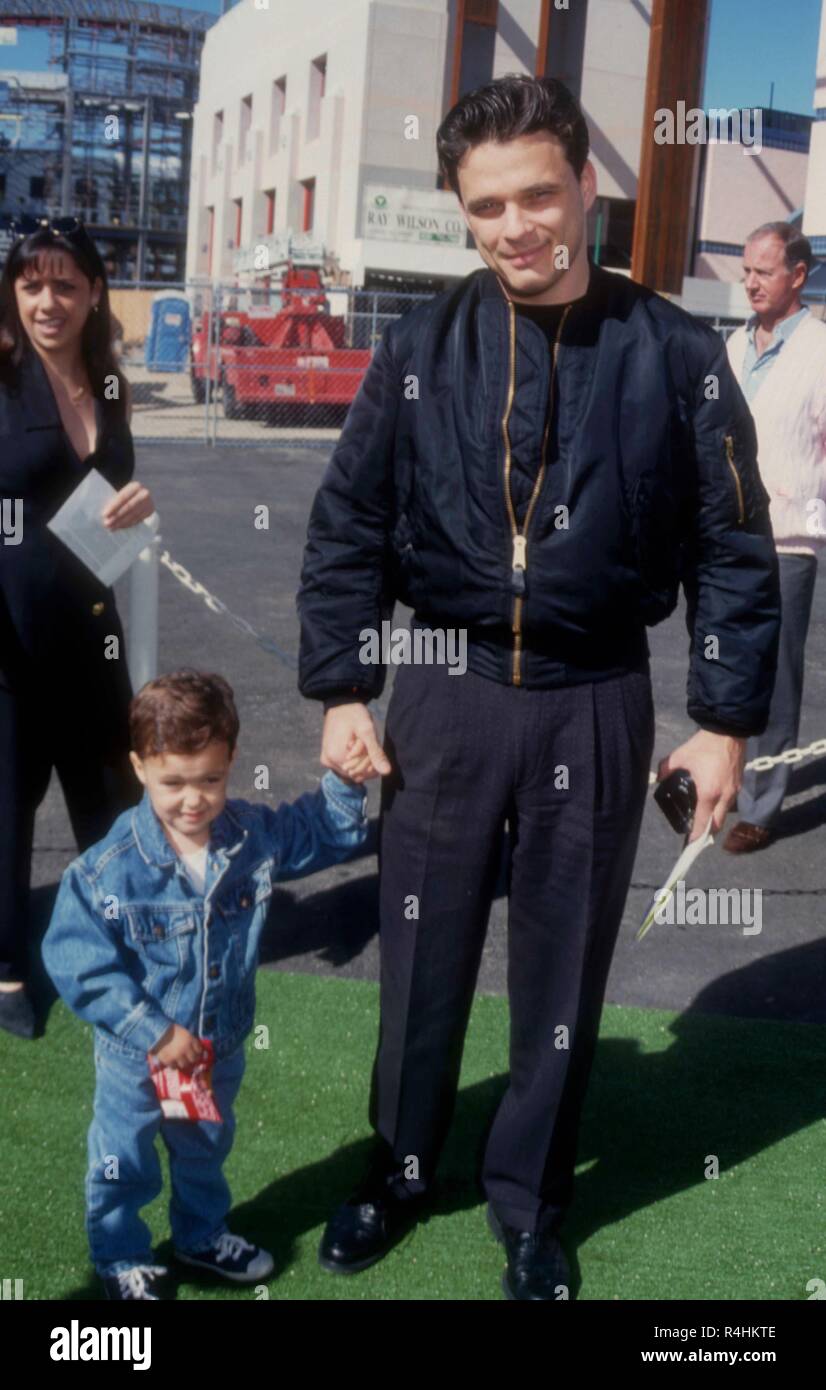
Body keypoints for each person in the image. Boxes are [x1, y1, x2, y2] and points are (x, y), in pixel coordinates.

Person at [296, 75, 781, 1301]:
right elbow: (346, 522)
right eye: (487, 206)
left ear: (584, 189)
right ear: (462, 213)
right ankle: (402, 1168)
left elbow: (733, 542)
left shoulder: (676, 354)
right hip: (444, 695)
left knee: (562, 966)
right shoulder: (419, 348)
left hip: (595, 697)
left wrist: (723, 720)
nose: (517, 225)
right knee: (421, 955)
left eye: (538, 194)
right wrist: (344, 688)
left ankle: (529, 1202)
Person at [41, 670, 368, 1300]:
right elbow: (74, 957)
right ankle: (120, 1256)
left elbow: (325, 832)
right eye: (173, 782)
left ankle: (200, 1234)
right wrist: (154, 1031)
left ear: (231, 762)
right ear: (139, 768)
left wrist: (347, 779)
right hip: (136, 1055)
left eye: (210, 780)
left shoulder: (249, 837)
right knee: (122, 1157)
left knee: (205, 1147)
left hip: (216, 1045)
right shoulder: (110, 868)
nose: (193, 799)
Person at [0, 215, 155, 1039]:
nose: (48, 301)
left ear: (95, 293)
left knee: (111, 795)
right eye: (32, 285)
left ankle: (113, 938)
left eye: (65, 284)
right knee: (8, 803)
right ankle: (6, 967)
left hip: (94, 626)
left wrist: (139, 508)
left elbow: (111, 499)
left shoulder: (114, 387)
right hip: (11, 635)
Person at [722, 223, 826, 853]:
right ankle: (726, 776)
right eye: (746, 270)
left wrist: (807, 507)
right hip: (726, 538)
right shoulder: (734, 347)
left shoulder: (820, 348)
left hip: (787, 541)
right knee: (725, 664)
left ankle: (762, 803)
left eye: (764, 271)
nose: (751, 282)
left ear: (798, 276)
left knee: (775, 676)